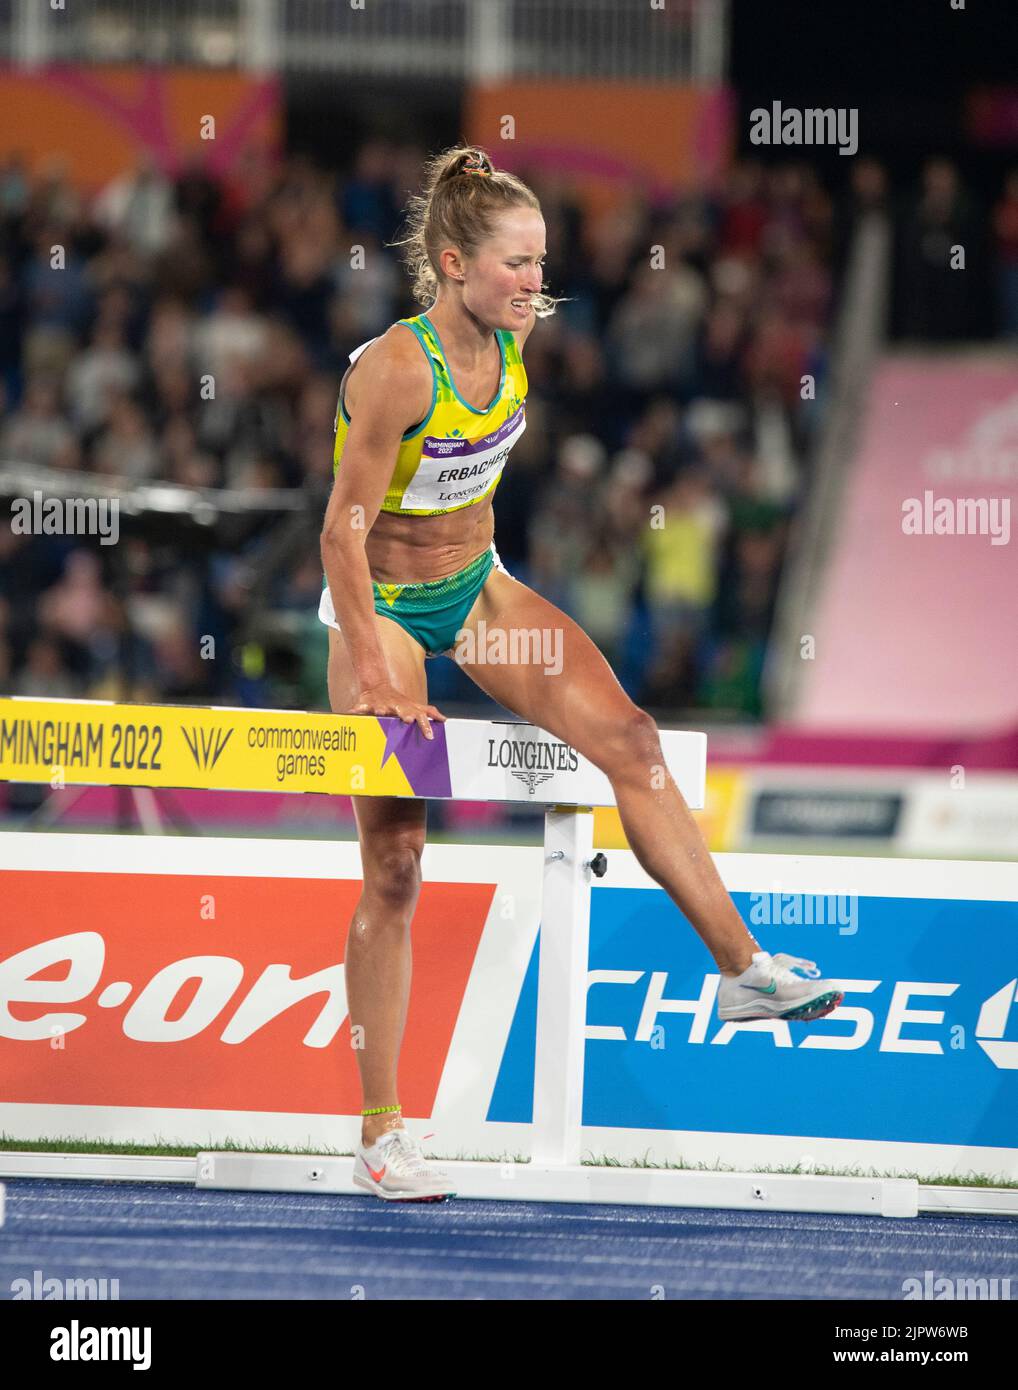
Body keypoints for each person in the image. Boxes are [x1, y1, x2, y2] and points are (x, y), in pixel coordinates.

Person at [319, 145, 843, 1202]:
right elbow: (340, 529)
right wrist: (374, 668)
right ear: (454, 262)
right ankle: (383, 1132)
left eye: (541, 262)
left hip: (477, 592)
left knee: (633, 742)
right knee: (396, 860)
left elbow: (471, 490)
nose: (534, 282)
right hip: (380, 605)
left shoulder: (513, 344)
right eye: (515, 263)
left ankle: (743, 970)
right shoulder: (395, 367)